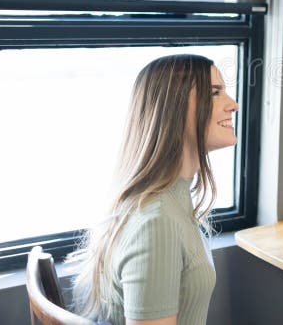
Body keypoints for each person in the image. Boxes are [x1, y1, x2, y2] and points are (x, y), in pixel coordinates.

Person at [69, 54, 239, 325]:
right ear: (175, 107)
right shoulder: (157, 224)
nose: (234, 105)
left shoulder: (169, 201)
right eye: (215, 93)